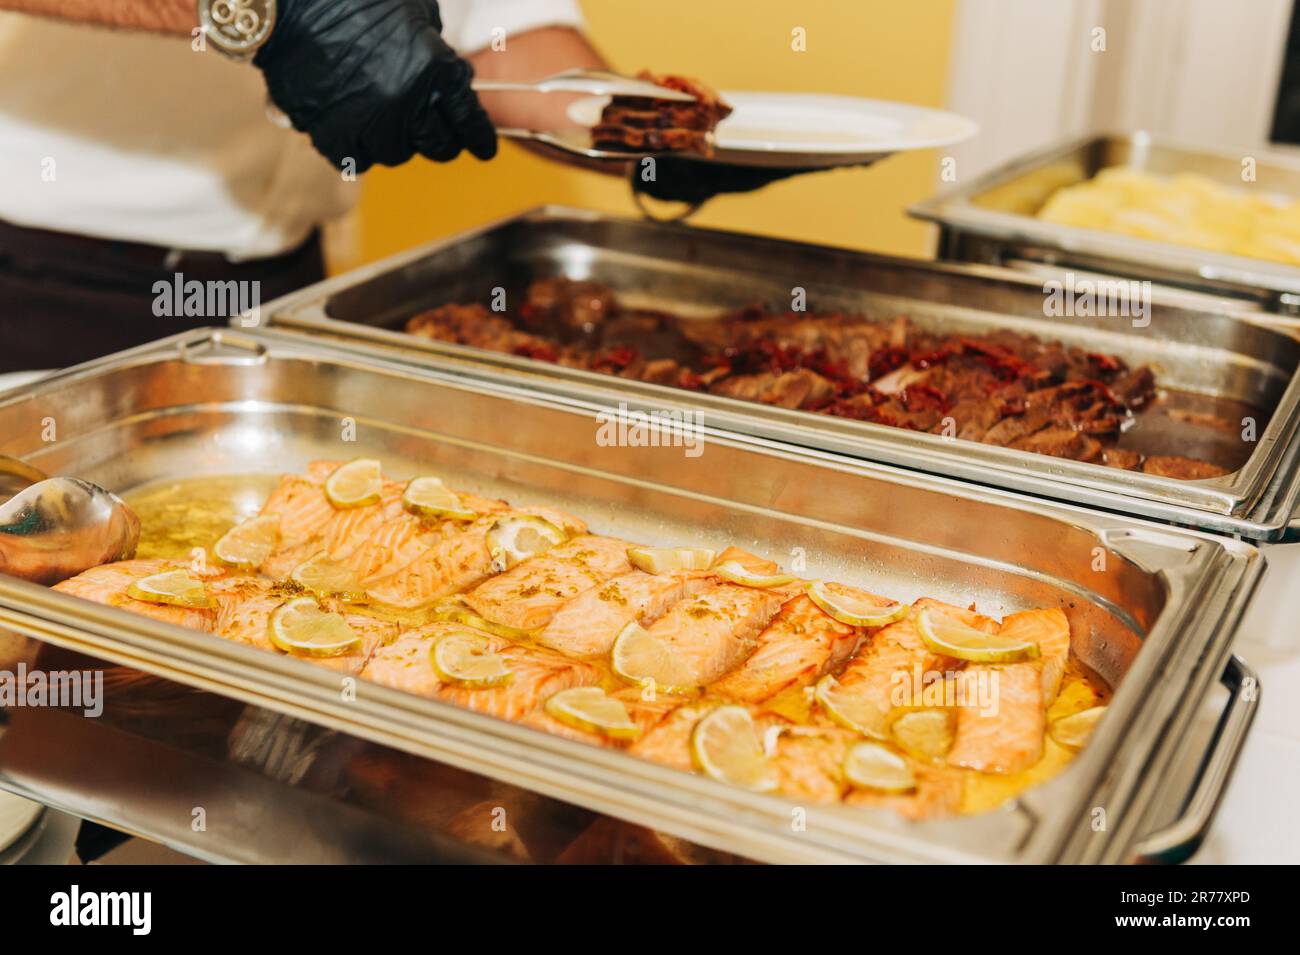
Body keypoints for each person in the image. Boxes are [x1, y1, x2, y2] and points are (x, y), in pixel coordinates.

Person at [0, 0, 798, 372]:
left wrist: (653, 136)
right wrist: (256, 10)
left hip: (279, 296)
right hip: (44, 286)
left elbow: (502, 46)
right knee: (61, 685)